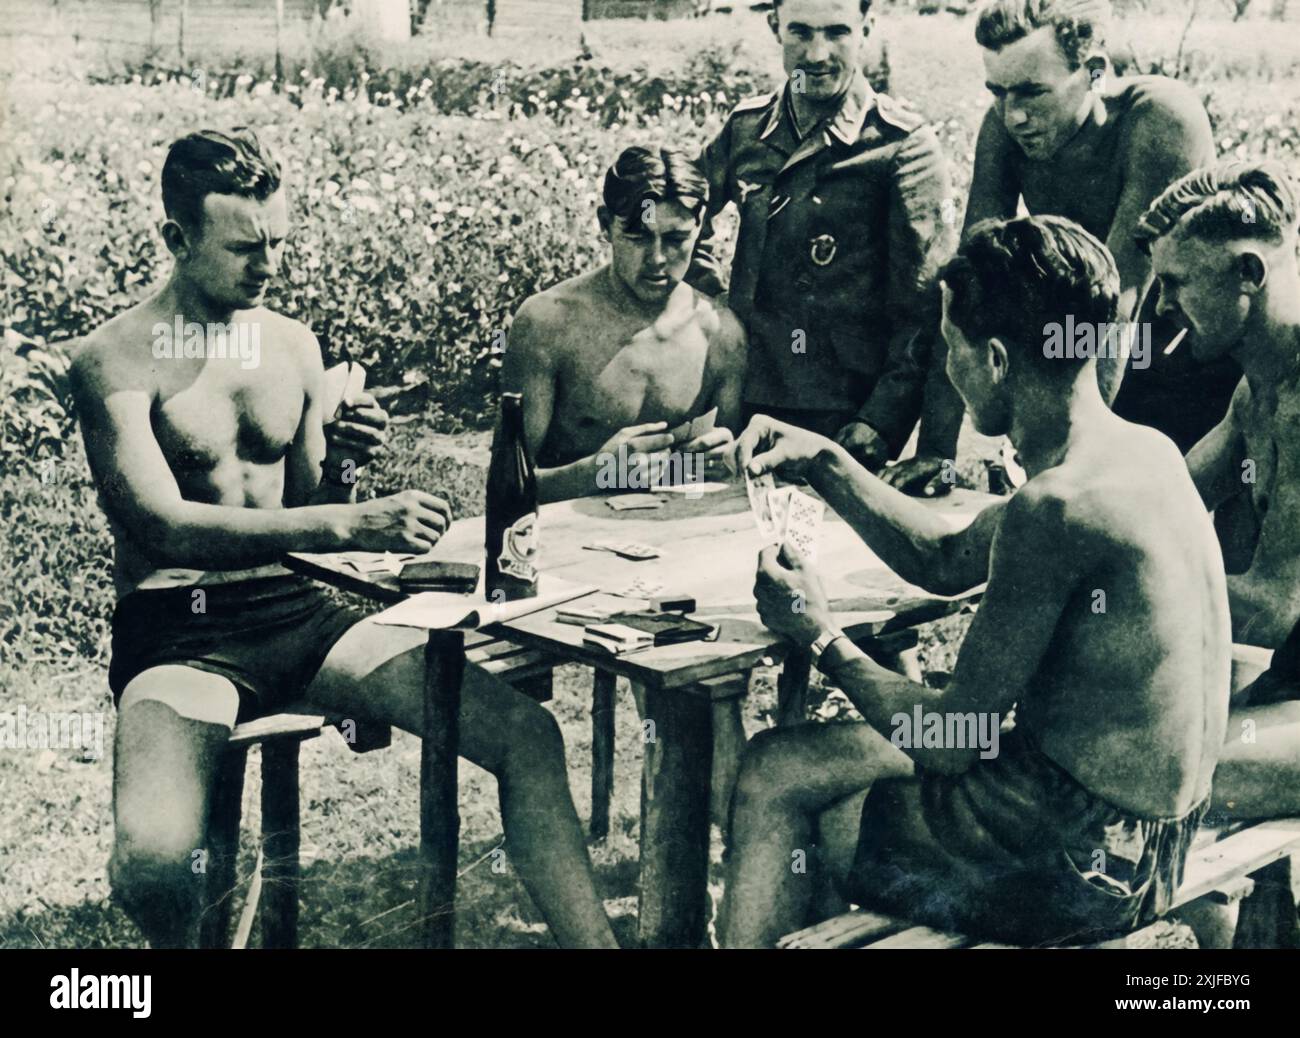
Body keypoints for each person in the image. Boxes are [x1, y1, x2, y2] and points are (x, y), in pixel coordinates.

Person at [70, 128, 617, 948]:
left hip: (298, 610)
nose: (268, 266)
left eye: (278, 243)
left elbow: (308, 513)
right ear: (175, 239)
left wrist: (345, 470)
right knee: (150, 860)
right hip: (181, 632)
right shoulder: (112, 358)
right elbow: (160, 524)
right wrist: (346, 518)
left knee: (526, 734)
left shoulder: (290, 344)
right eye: (244, 248)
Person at [721, 215, 1228, 947]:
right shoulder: (1140, 454)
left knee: (794, 796)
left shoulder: (1054, 509)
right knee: (785, 760)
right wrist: (828, 464)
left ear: (994, 359)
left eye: (947, 345)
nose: (945, 364)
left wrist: (819, 633)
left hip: (1082, 868)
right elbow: (949, 558)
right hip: (1153, 840)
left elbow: (953, 740)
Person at [903, 0, 1233, 495]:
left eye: (1034, 92)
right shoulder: (1005, 128)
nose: (1015, 115)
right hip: (1098, 348)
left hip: (1194, 361)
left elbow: (1119, 302)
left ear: (1094, 73)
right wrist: (935, 452)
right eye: (998, 92)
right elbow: (965, 288)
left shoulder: (1161, 120)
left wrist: (1064, 469)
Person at [688, 0, 955, 477]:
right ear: (775, 28)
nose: (817, 53)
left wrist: (881, 420)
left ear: (866, 29)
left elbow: (926, 305)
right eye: (800, 32)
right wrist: (718, 308)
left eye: (837, 32)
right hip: (744, 393)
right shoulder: (746, 129)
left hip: (843, 413)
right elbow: (683, 219)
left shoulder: (901, 144)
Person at [1139, 161, 1300, 822]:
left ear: (1248, 275)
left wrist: (1125, 574)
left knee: (1135, 778)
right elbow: (1158, 504)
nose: (1158, 307)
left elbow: (1272, 606)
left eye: (1174, 282)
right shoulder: (1259, 384)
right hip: (1291, 679)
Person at [502, 146, 745, 503]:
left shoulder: (720, 334)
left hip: (677, 541)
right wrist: (596, 471)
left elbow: (721, 481)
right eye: (638, 237)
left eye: (676, 239)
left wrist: (725, 460)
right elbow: (505, 487)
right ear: (605, 224)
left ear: (700, 226)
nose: (657, 259)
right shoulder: (547, 324)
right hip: (563, 545)